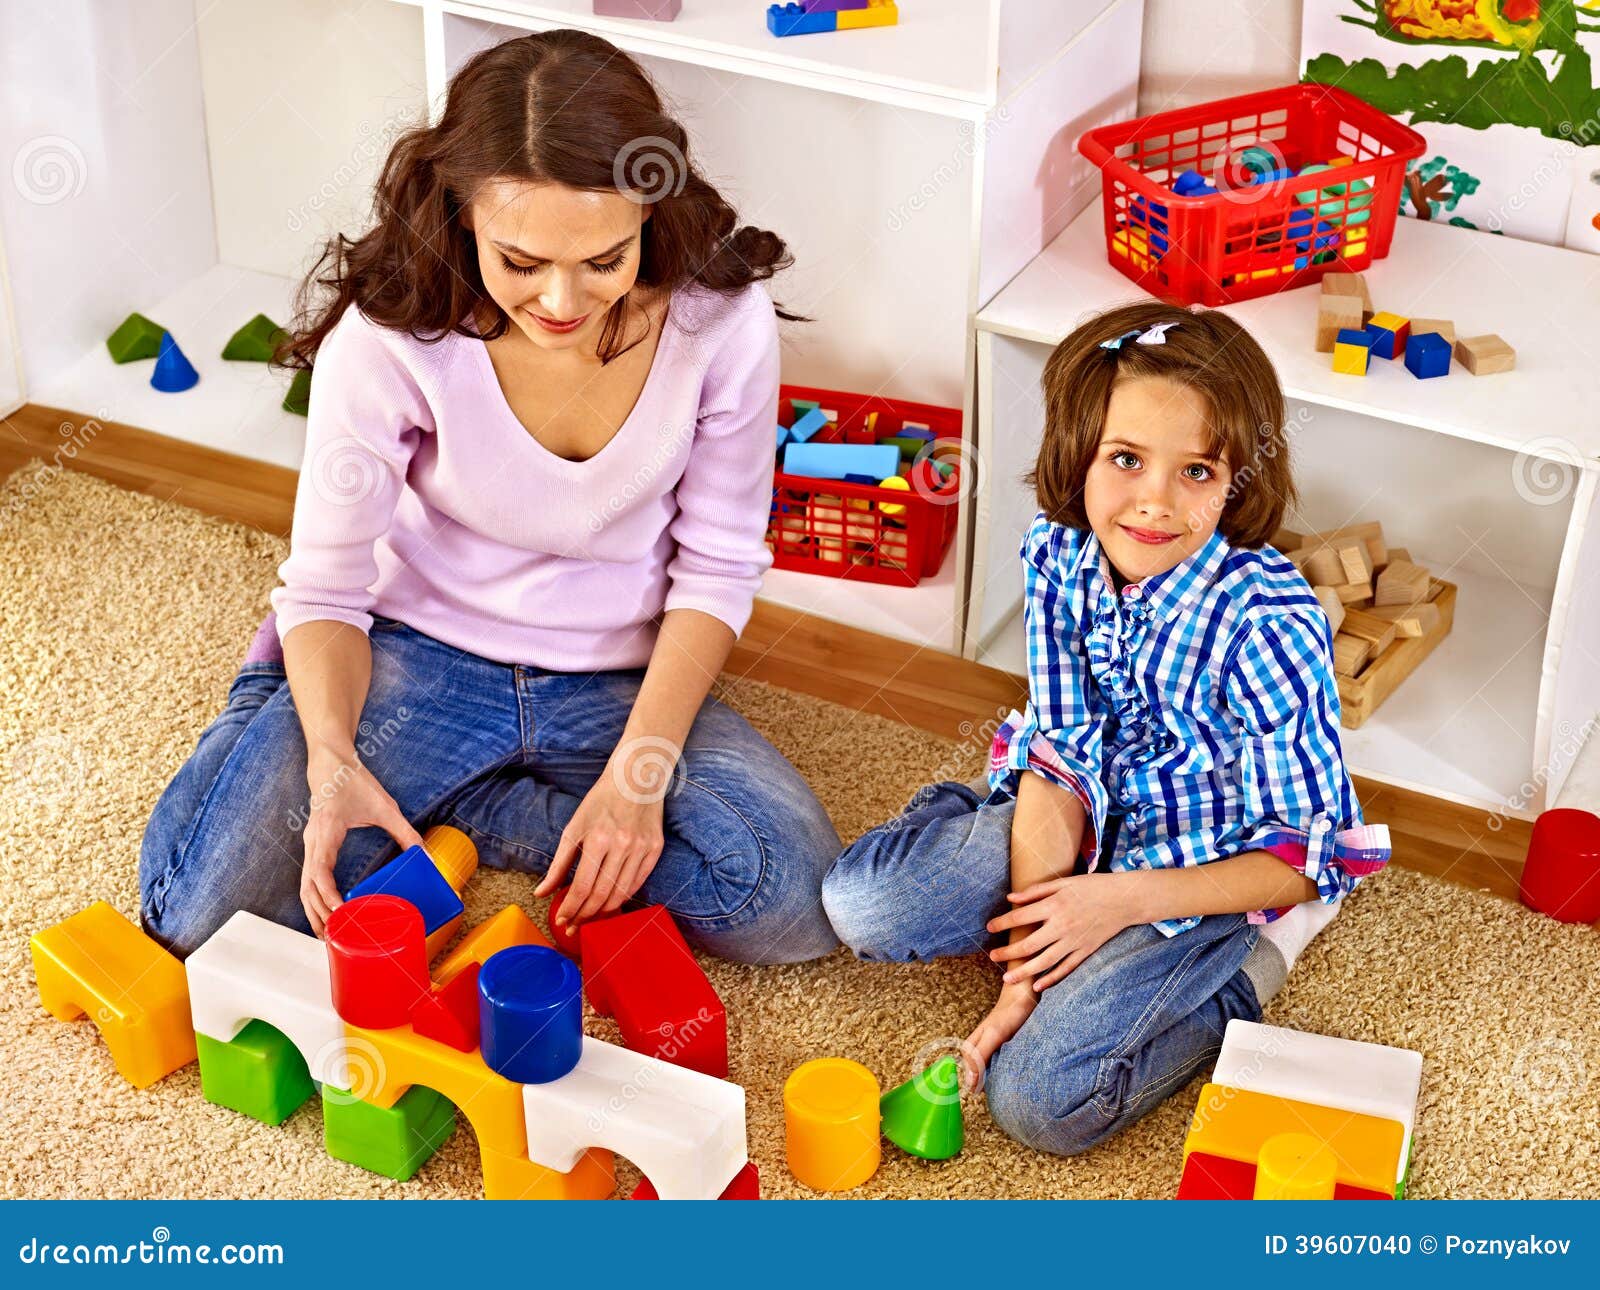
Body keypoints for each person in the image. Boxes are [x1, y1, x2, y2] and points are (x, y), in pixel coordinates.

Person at [139, 29, 841, 965]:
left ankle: (481, 808)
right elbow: (328, 589)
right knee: (199, 914)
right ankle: (282, 693)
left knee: (785, 900)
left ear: (649, 209)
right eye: (522, 262)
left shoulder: (721, 322)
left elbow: (717, 566)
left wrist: (638, 778)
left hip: (616, 676)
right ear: (461, 212)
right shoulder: (391, 336)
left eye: (605, 260)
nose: (561, 300)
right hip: (417, 656)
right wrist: (334, 760)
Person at [821, 300, 1391, 1156]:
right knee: (858, 903)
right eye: (1125, 459)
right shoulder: (1060, 555)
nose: (1152, 504)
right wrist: (1024, 975)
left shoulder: (1266, 620)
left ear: (1239, 480)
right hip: (1088, 812)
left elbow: (1300, 861)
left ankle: (1245, 974)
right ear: (1078, 454)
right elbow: (1064, 753)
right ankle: (1020, 884)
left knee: (1041, 1104)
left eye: (1197, 472)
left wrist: (1117, 902)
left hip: (1220, 866)